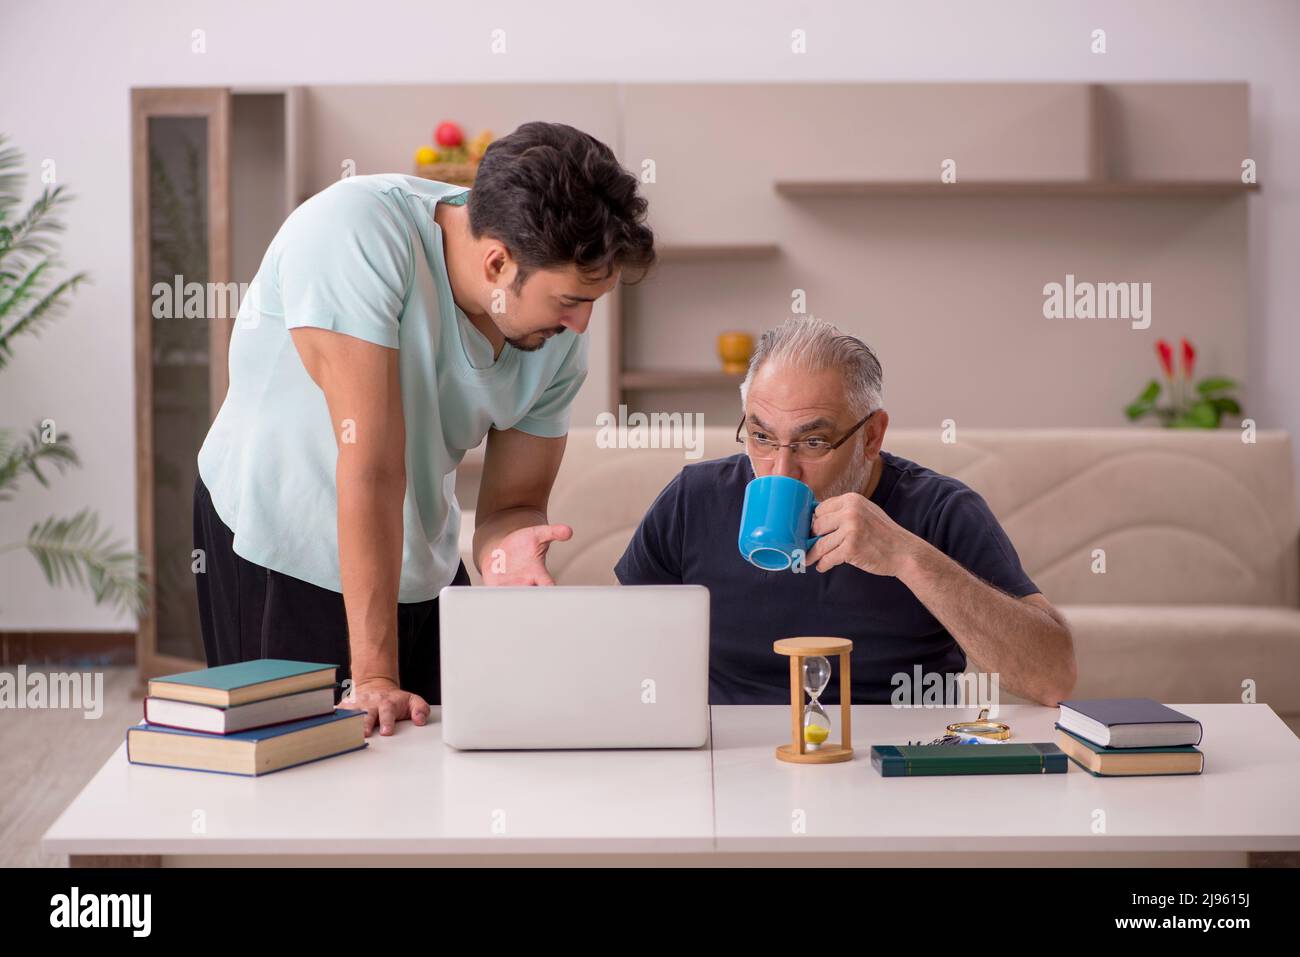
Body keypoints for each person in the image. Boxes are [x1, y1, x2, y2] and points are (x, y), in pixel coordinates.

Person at [194, 121, 655, 736]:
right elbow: (373, 464)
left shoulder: (557, 338)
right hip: (279, 536)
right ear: (498, 263)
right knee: (305, 774)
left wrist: (504, 552)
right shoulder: (353, 234)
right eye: (569, 300)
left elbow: (513, 503)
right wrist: (377, 678)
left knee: (436, 760)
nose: (580, 323)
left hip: (412, 550)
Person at [615, 316, 1076, 706]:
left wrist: (907, 558)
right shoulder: (693, 499)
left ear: (871, 436)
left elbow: (1053, 678)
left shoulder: (941, 510)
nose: (781, 469)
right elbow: (621, 645)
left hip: (896, 760)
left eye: (813, 442)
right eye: (761, 437)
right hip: (731, 757)